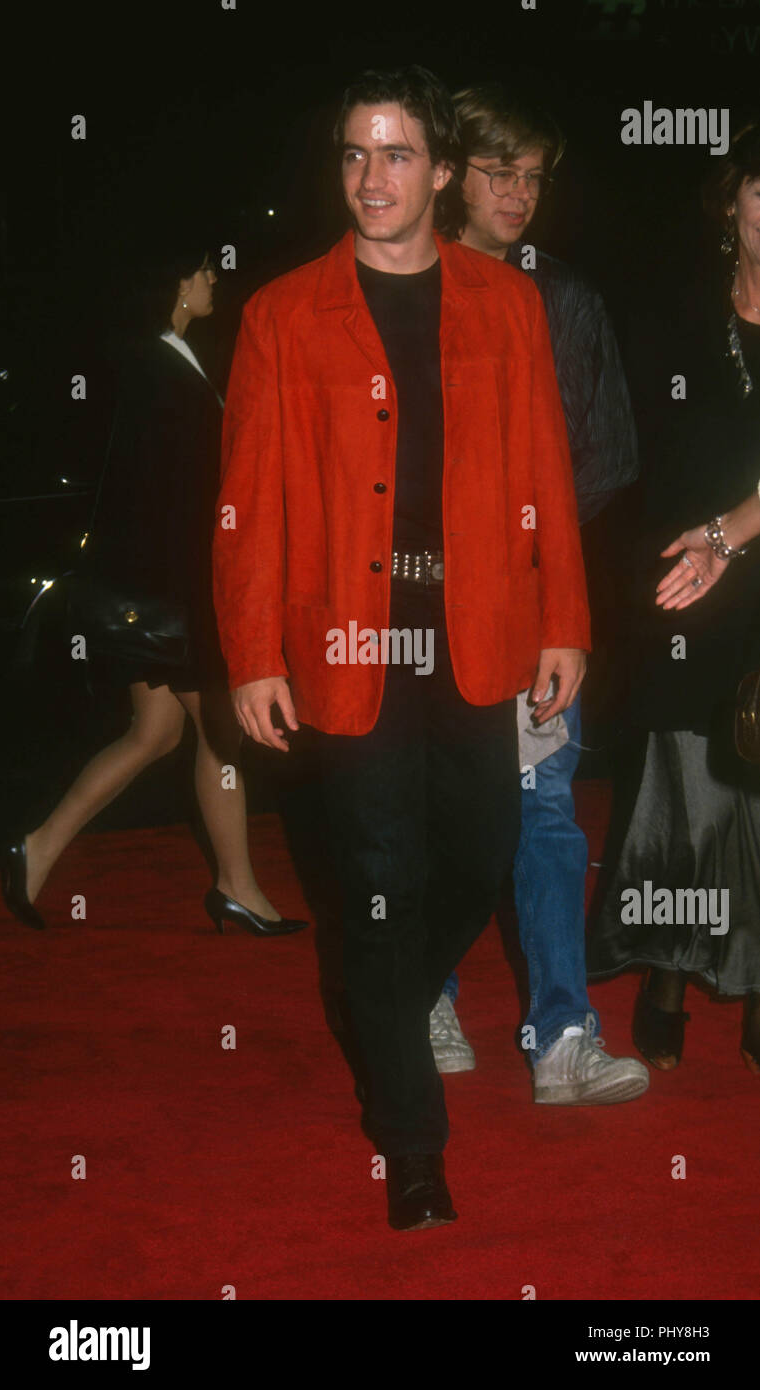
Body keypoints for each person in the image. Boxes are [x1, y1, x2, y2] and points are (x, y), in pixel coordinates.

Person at [213, 66, 590, 1231]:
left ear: (439, 172)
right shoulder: (284, 312)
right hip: (347, 646)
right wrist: (252, 652)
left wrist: (564, 619)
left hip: (476, 639)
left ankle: (372, 995)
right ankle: (412, 1139)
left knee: (477, 853)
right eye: (351, 155)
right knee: (377, 880)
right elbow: (248, 500)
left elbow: (544, 473)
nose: (370, 179)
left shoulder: (505, 303)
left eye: (393, 156)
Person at [427, 83, 647, 1106]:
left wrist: (522, 555)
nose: (519, 193)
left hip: (523, 608)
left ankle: (560, 1033)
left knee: (546, 813)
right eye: (497, 171)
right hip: (410, 616)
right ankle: (425, 989)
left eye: (532, 177)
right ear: (447, 172)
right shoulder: (399, 288)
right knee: (428, 810)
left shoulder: (564, 300)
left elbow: (604, 456)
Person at [0, 241, 306, 940]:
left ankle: (37, 846)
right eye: (203, 270)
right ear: (175, 280)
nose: (212, 281)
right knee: (222, 733)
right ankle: (236, 887)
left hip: (151, 588)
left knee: (156, 731)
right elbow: (175, 495)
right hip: (175, 591)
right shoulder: (158, 363)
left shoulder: (162, 356)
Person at [587, 122, 760, 1075]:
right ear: (732, 204)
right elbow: (638, 455)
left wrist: (730, 536)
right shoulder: (676, 311)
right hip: (692, 574)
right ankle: (668, 967)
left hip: (737, 552)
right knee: (685, 791)